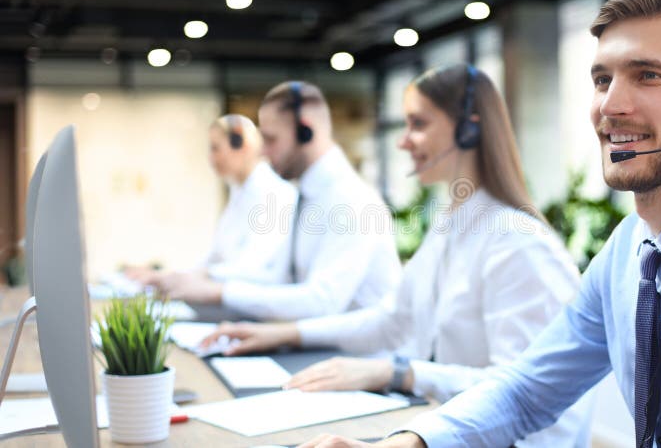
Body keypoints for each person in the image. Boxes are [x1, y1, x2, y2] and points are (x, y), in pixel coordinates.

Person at [293, 0, 661, 448]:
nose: (611, 105)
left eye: (648, 75)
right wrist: (407, 444)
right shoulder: (628, 251)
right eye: (603, 79)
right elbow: (526, 388)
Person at [203, 64, 593, 447]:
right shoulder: (451, 226)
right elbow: (392, 319)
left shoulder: (518, 243)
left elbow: (523, 395)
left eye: (418, 124)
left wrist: (398, 372)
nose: (403, 141)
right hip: (445, 428)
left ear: (469, 126)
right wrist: (282, 334)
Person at [150, 81, 402, 321]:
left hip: (365, 359)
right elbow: (276, 277)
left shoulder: (351, 199)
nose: (262, 151)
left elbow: (323, 301)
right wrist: (193, 281)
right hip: (325, 350)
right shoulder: (307, 195)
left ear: (305, 131)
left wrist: (219, 291)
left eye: (271, 139)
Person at [126, 114, 297, 287]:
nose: (211, 158)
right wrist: (168, 275)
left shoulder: (275, 194)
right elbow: (214, 256)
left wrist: (191, 277)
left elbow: (251, 268)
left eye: (216, 148)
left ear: (242, 145)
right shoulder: (239, 192)